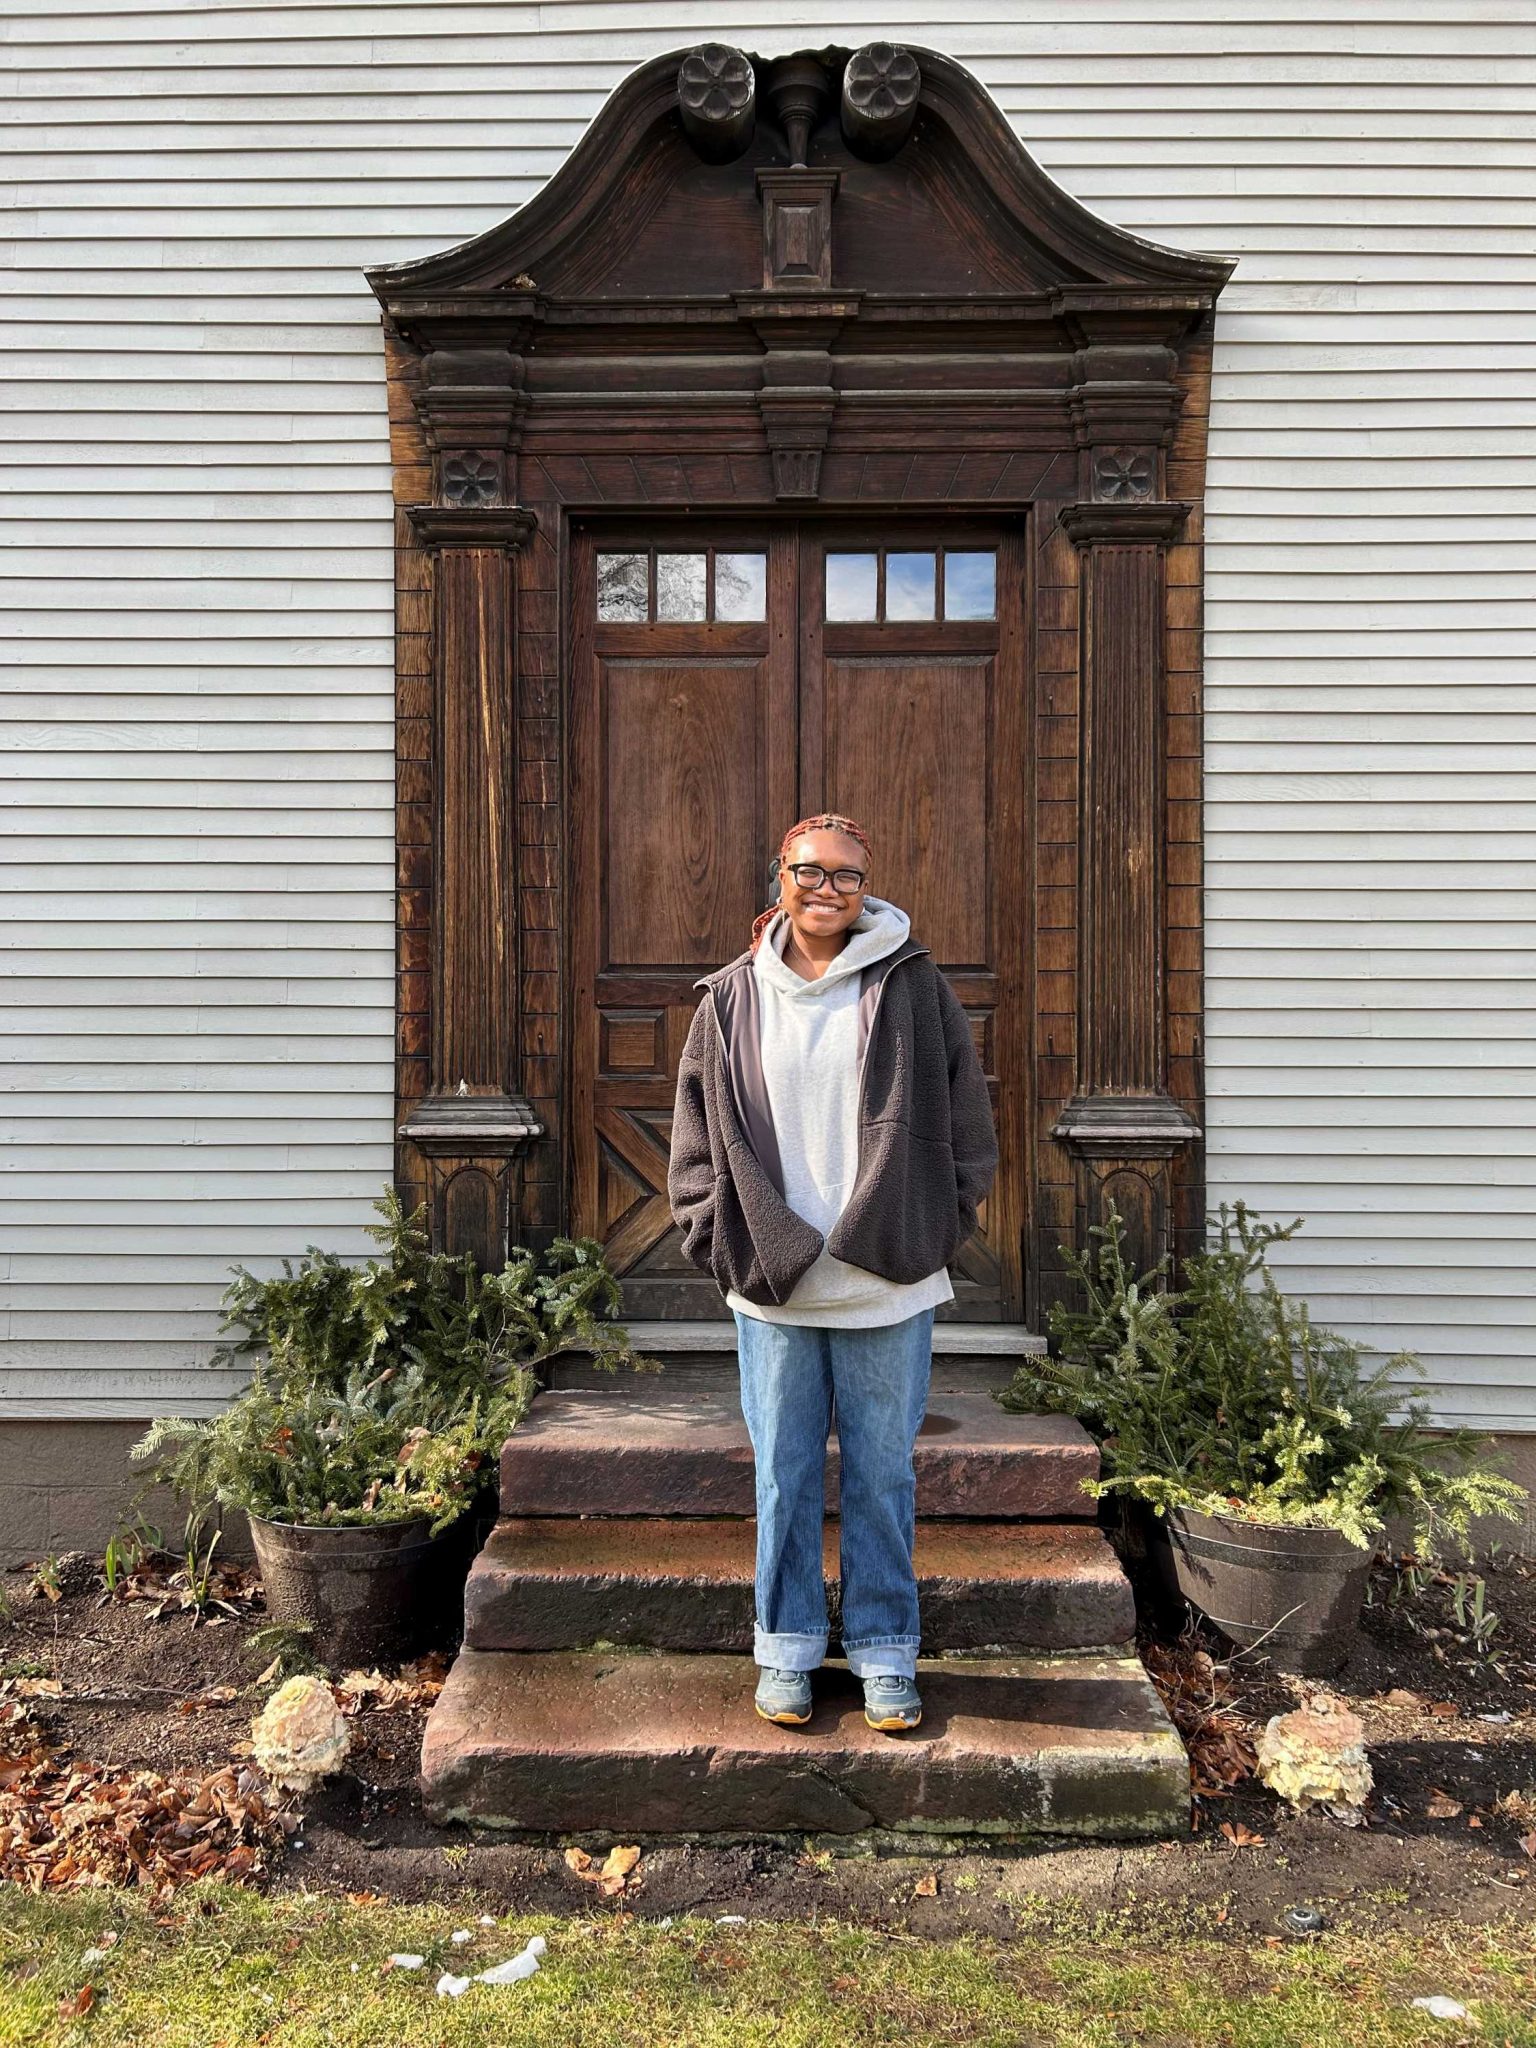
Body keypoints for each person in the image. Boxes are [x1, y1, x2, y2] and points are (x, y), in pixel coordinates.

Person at [667, 813, 998, 1733]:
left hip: (886, 1281)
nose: (827, 890)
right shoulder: (731, 997)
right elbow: (696, 1136)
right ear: (778, 876)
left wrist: (943, 1219)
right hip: (772, 1284)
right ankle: (787, 1648)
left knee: (884, 1475)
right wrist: (714, 1232)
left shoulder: (912, 985)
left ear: (867, 888)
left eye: (847, 877)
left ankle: (888, 1651)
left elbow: (966, 1114)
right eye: (810, 872)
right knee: (782, 1473)